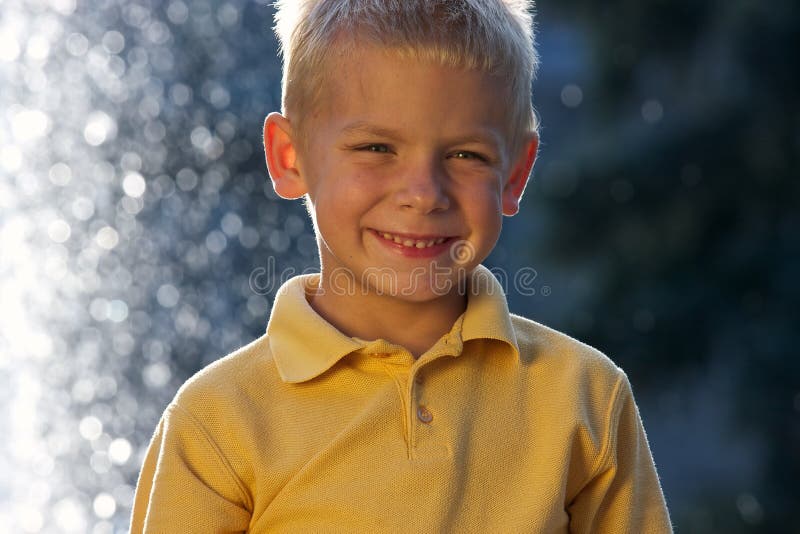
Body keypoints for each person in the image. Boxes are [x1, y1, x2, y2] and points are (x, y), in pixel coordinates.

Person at [130, 0, 673, 532]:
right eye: (376, 147)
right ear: (288, 157)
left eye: (466, 155)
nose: (422, 194)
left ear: (514, 174)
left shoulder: (587, 396)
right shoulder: (217, 422)